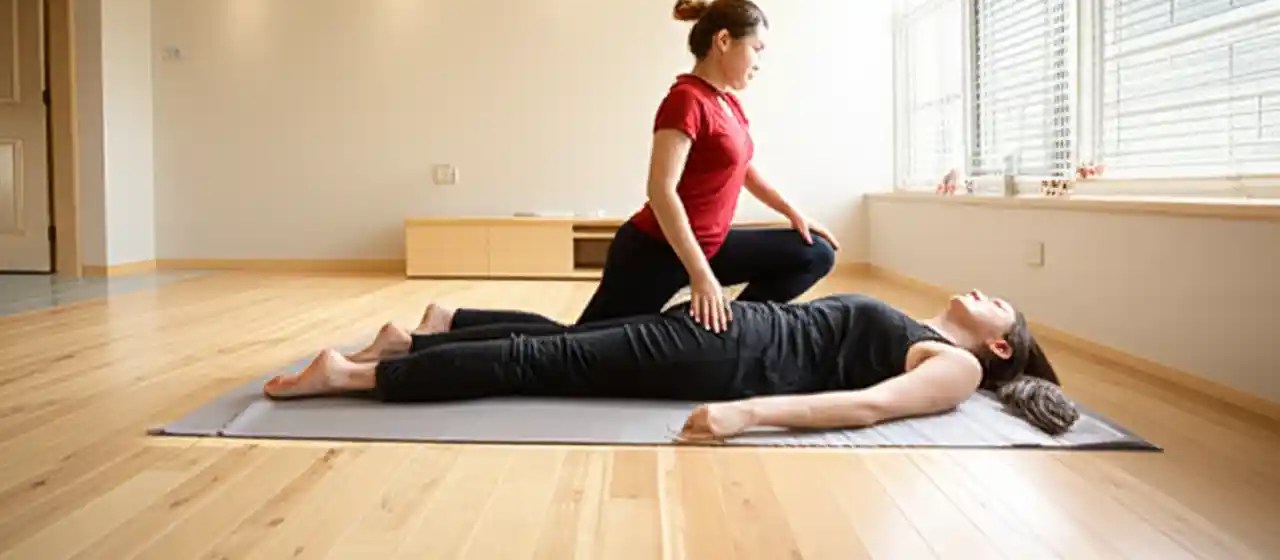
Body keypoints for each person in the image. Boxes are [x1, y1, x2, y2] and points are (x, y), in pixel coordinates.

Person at [262, 289, 1077, 441]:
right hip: (724, 327)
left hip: (733, 359)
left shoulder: (960, 369)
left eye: (1000, 302)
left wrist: (747, 415)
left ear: (999, 344)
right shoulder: (915, 320)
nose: (986, 291)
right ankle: (418, 342)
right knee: (563, 347)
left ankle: (357, 375)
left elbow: (866, 408)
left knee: (545, 361)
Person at [577, 0, 838, 332]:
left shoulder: (729, 104)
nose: (759, 62)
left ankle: (728, 329)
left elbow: (743, 168)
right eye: (757, 49)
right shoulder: (686, 99)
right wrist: (701, 275)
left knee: (814, 253)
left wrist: (793, 213)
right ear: (724, 41)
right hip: (657, 252)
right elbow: (661, 190)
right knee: (579, 343)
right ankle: (495, 342)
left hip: (710, 245)